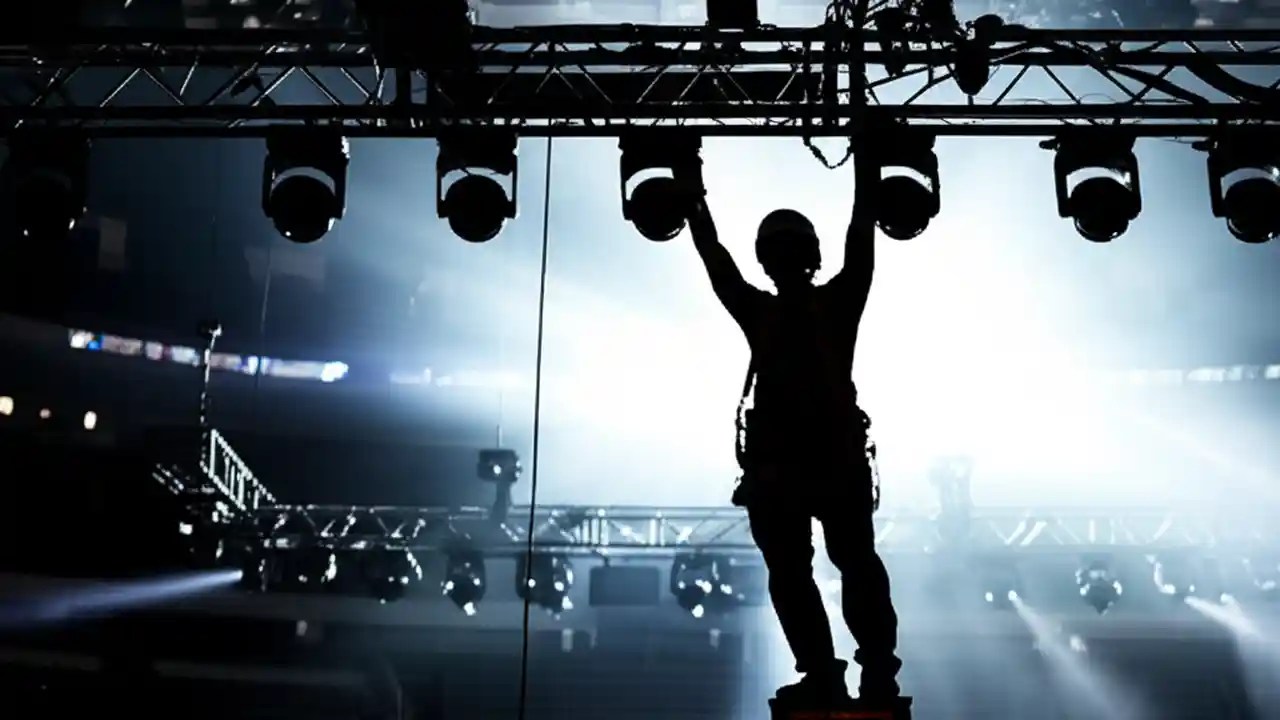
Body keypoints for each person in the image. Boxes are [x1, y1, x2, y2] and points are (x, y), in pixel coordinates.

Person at [676, 152, 902, 705]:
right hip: (823, 460)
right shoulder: (836, 302)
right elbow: (859, 231)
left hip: (787, 466)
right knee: (847, 564)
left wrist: (691, 193)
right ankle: (867, 669)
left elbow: (716, 261)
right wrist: (863, 162)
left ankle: (833, 671)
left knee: (801, 571)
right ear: (812, 255)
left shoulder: (766, 312)